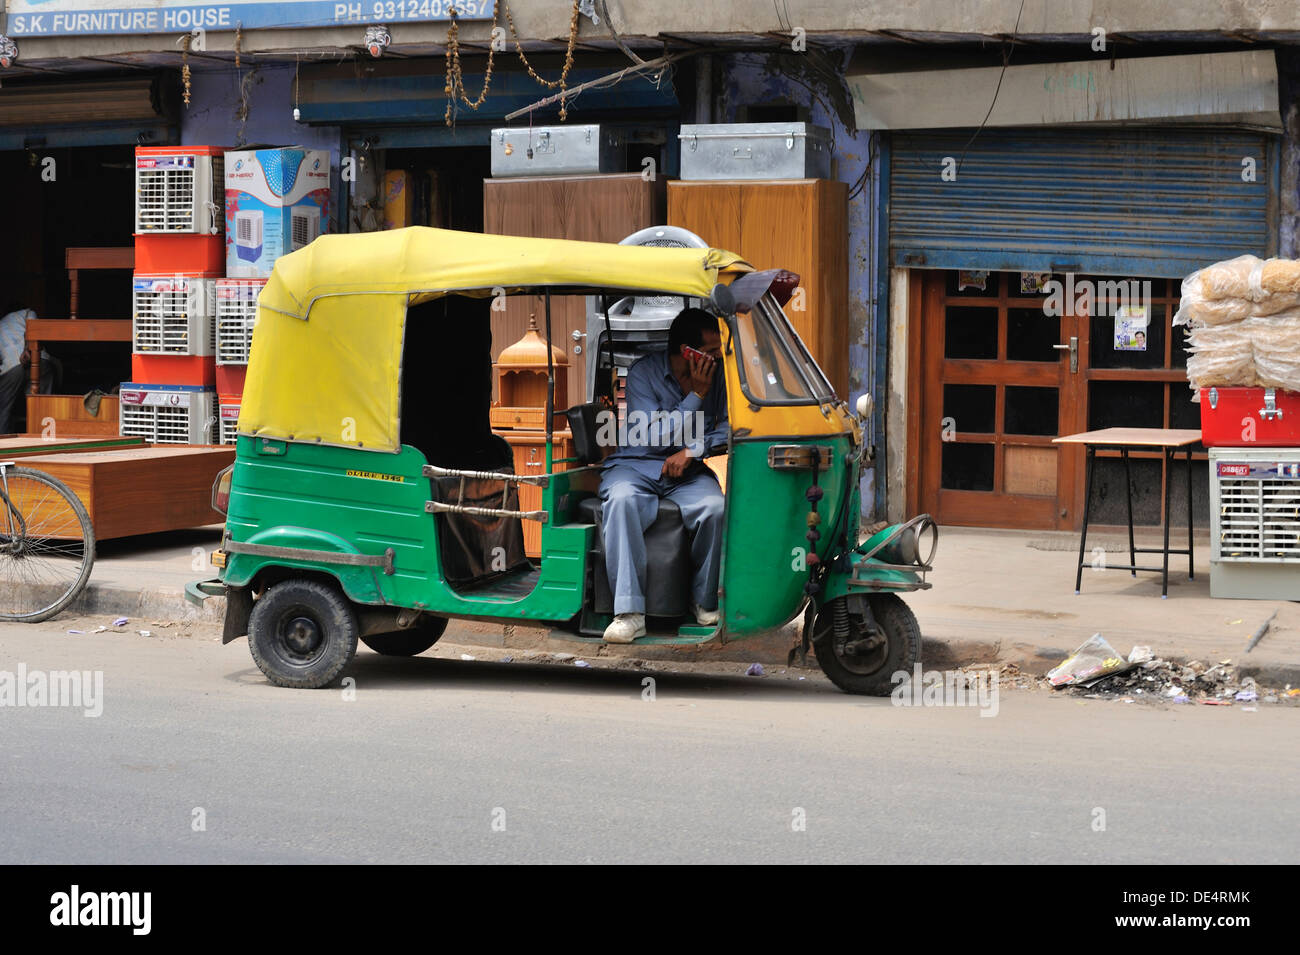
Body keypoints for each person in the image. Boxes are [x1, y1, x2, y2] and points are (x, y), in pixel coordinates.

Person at [599, 307, 728, 643]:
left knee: (715, 509)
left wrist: (692, 451)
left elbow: (729, 428)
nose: (718, 357)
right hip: (636, 466)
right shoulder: (644, 374)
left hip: (688, 473)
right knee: (622, 501)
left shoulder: (720, 378)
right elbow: (654, 437)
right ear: (688, 353)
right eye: (711, 352)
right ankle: (629, 613)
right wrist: (696, 396)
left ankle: (704, 602)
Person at [0, 305, 35, 434]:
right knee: (40, 407)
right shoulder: (26, 312)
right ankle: (41, 441)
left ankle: (3, 446)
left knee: (3, 410)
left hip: (12, 366)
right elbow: (34, 327)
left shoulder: (2, 324)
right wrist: (27, 348)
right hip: (39, 360)